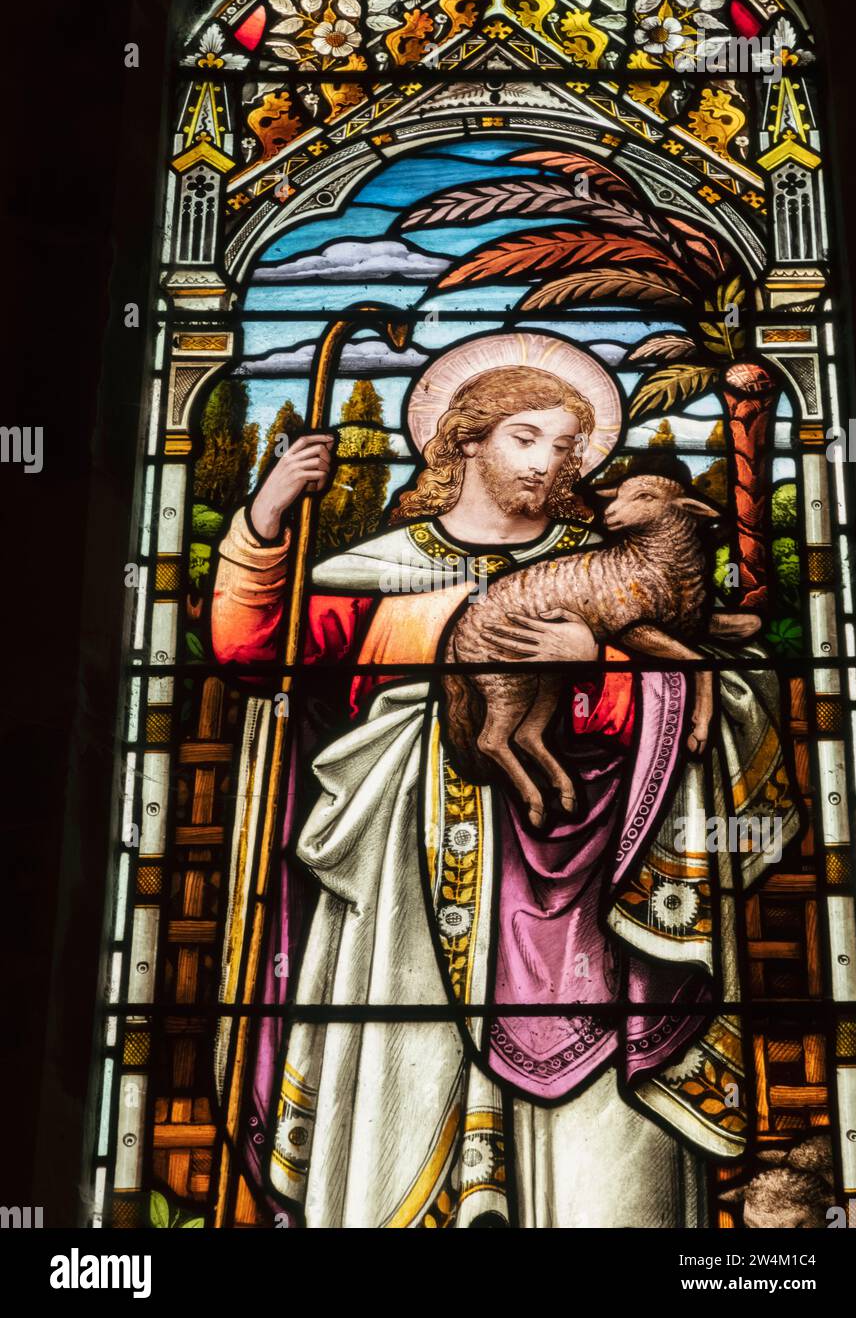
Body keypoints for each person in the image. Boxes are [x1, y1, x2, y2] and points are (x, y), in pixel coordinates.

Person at [211, 347, 799, 1228]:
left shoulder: (612, 568)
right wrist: (266, 514)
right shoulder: (383, 569)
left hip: (596, 896)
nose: (546, 462)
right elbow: (252, 654)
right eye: (526, 437)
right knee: (397, 1132)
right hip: (402, 885)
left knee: (602, 1182)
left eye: (566, 447)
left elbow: (731, 690)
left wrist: (599, 661)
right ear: (463, 442)